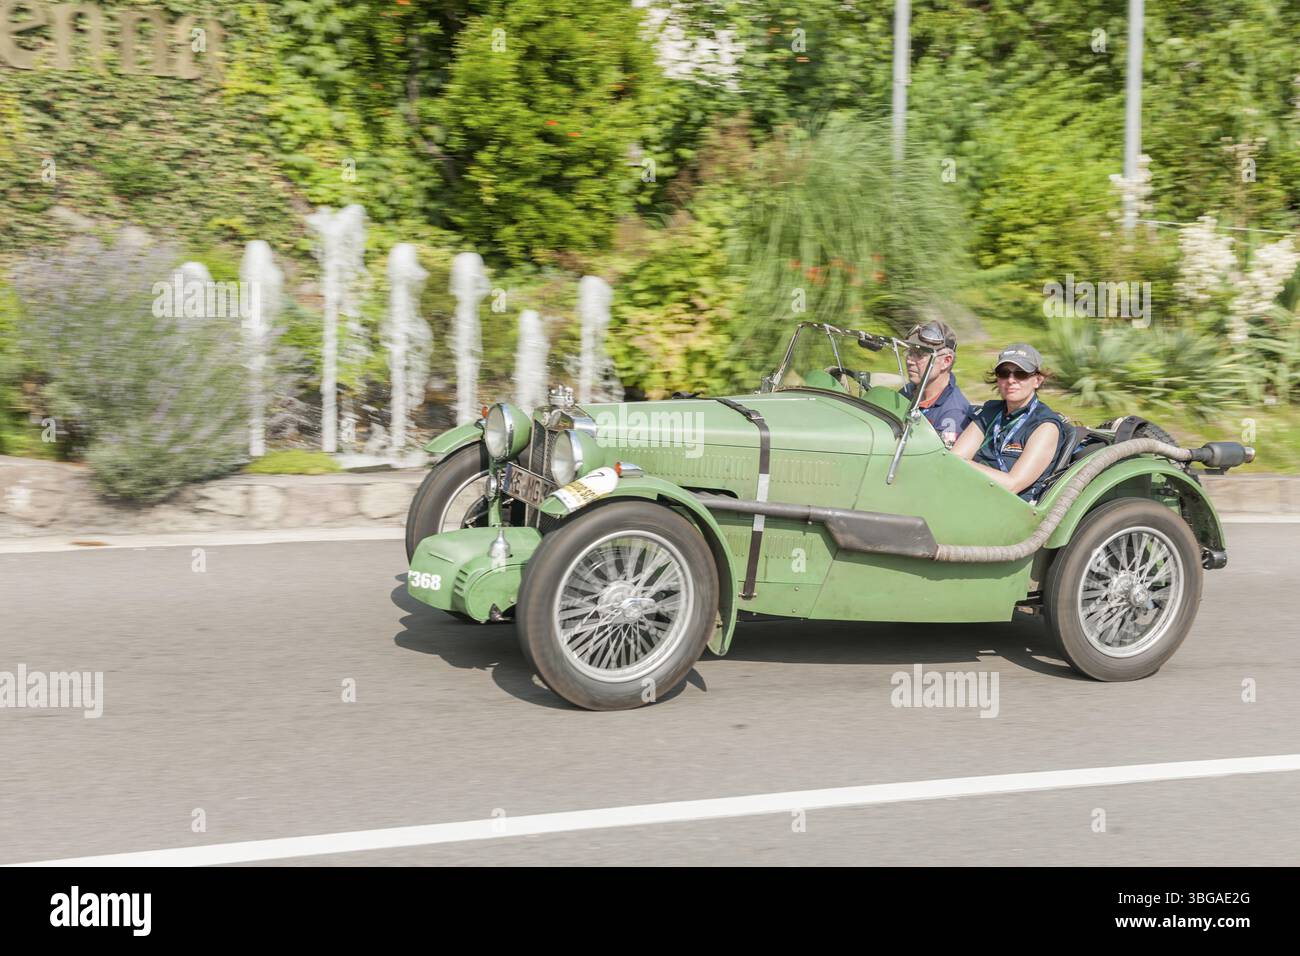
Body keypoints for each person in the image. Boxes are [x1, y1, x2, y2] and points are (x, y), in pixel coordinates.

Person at [951, 343, 1071, 501]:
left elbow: (1012, 484)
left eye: (1021, 374)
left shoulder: (1045, 426)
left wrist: (965, 464)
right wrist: (960, 463)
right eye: (1004, 373)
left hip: (1010, 506)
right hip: (971, 492)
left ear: (1037, 380)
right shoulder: (990, 411)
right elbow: (953, 459)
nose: (1011, 380)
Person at [898, 320, 972, 447]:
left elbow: (942, 461)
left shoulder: (953, 413)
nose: (909, 360)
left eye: (920, 354)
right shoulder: (907, 392)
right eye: (910, 352)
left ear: (946, 361)